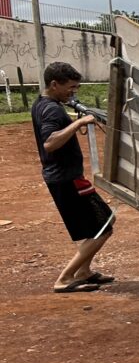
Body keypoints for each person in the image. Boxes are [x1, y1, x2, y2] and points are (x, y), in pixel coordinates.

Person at [31, 61, 115, 292]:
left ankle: (84, 271)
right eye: (71, 87)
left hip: (66, 177)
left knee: (97, 226)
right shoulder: (51, 109)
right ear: (55, 84)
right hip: (65, 178)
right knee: (103, 226)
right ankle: (65, 278)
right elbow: (50, 143)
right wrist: (79, 122)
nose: (73, 91)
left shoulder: (43, 103)